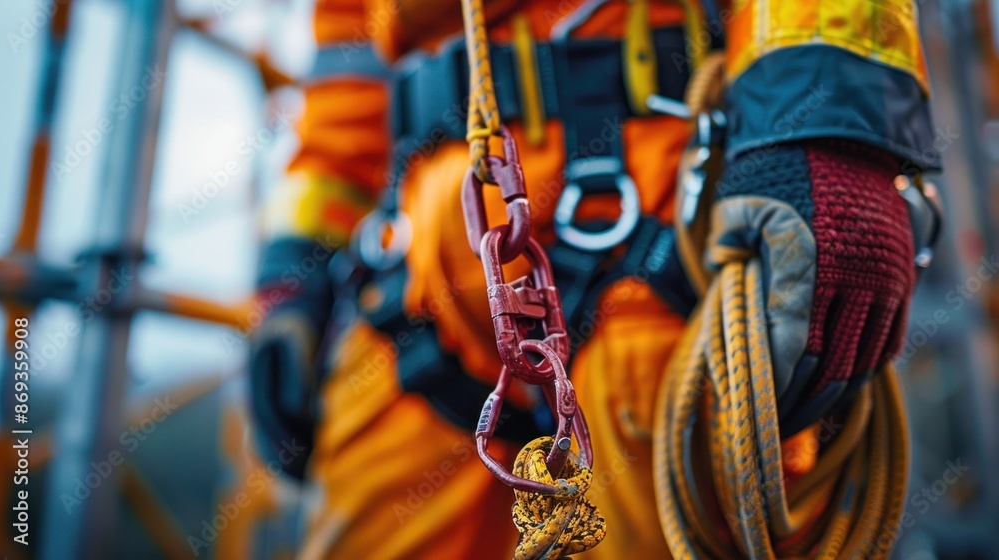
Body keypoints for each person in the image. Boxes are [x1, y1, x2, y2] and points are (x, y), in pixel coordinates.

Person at [249, 0, 940, 557]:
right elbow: (346, 79)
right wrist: (294, 272)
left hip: (651, 244)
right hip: (416, 295)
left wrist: (825, 127)